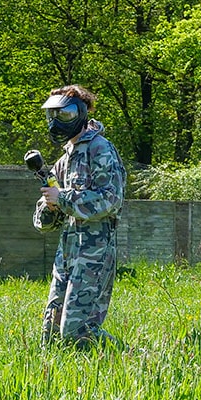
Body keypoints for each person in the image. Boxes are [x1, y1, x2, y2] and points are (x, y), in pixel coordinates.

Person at [33, 84, 127, 349]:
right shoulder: (64, 160)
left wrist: (62, 198)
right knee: (51, 334)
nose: (55, 123)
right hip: (67, 253)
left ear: (80, 113)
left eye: (62, 115)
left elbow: (111, 199)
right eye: (51, 116)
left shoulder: (100, 149)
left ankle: (134, 358)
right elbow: (45, 223)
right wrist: (49, 208)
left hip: (94, 254)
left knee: (76, 331)